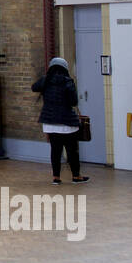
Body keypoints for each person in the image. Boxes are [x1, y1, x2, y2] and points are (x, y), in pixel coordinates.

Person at [31, 57, 89, 185]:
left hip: (50, 122)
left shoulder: (45, 80)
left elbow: (34, 87)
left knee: (55, 151)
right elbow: (74, 101)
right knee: (72, 151)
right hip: (67, 122)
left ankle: (56, 177)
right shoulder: (68, 81)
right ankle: (76, 176)